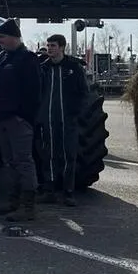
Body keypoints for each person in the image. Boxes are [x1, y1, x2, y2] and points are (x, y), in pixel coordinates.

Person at [0, 18, 41, 221]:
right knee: (9, 162)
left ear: (14, 37)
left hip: (17, 120)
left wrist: (22, 117)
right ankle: (13, 201)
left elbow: (34, 92)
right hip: (2, 119)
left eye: (2, 37)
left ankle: (28, 206)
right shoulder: (2, 58)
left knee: (23, 161)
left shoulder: (27, 59)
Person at [38, 33, 90, 206]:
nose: (50, 48)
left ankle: (68, 192)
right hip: (49, 120)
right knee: (50, 155)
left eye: (53, 45)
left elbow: (84, 93)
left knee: (69, 156)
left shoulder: (74, 67)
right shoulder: (44, 68)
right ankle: (49, 190)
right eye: (49, 45)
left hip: (68, 120)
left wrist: (76, 113)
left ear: (61, 47)